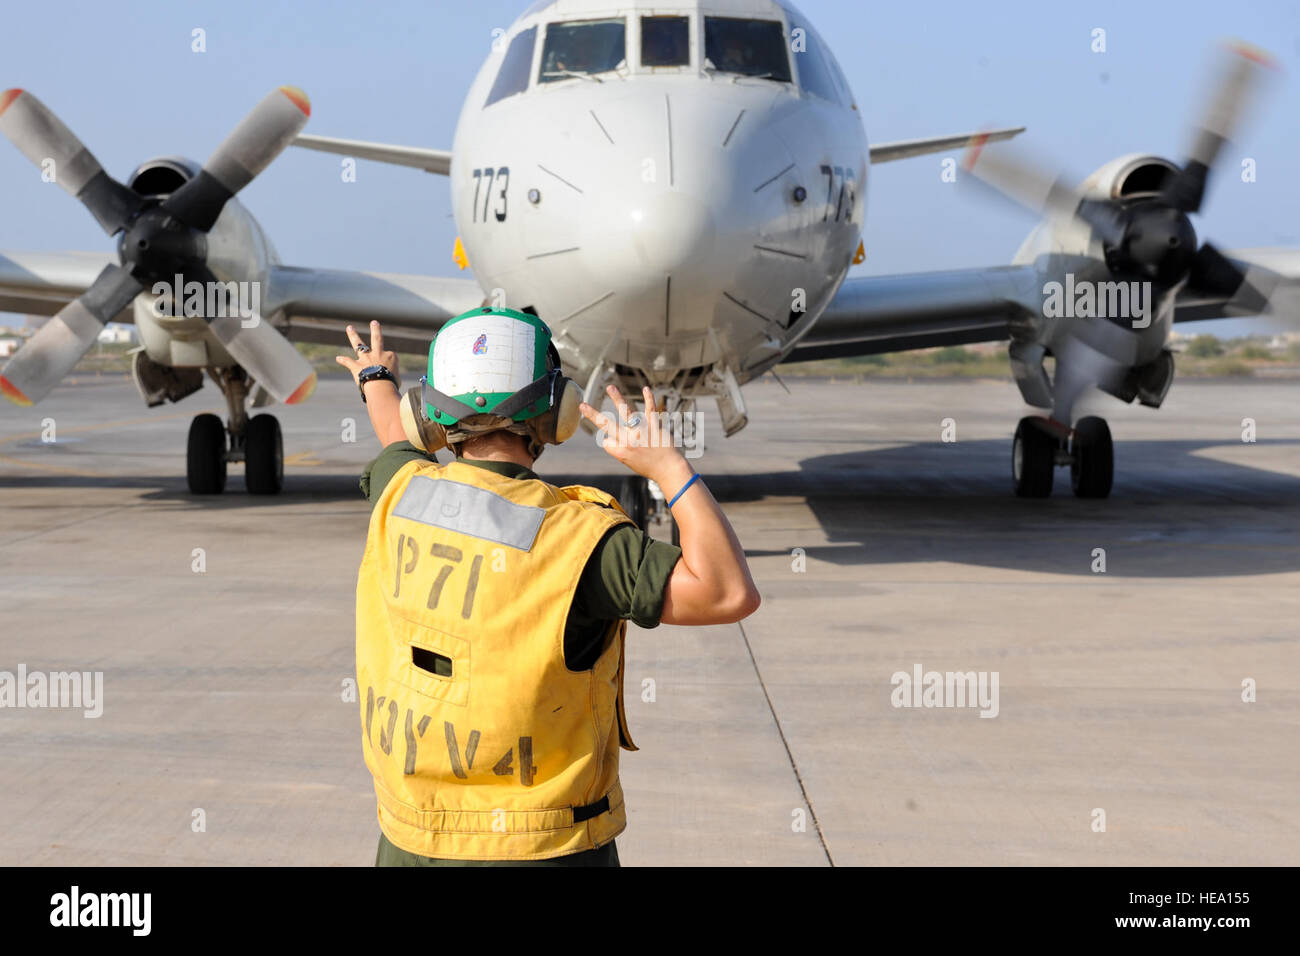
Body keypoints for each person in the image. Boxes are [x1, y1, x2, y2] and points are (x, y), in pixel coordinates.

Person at [337, 308, 760, 866]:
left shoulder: (402, 491)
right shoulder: (583, 540)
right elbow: (727, 592)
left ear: (429, 414)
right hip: (545, 848)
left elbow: (396, 435)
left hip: (413, 840)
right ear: (555, 413)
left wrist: (376, 378)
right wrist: (668, 468)